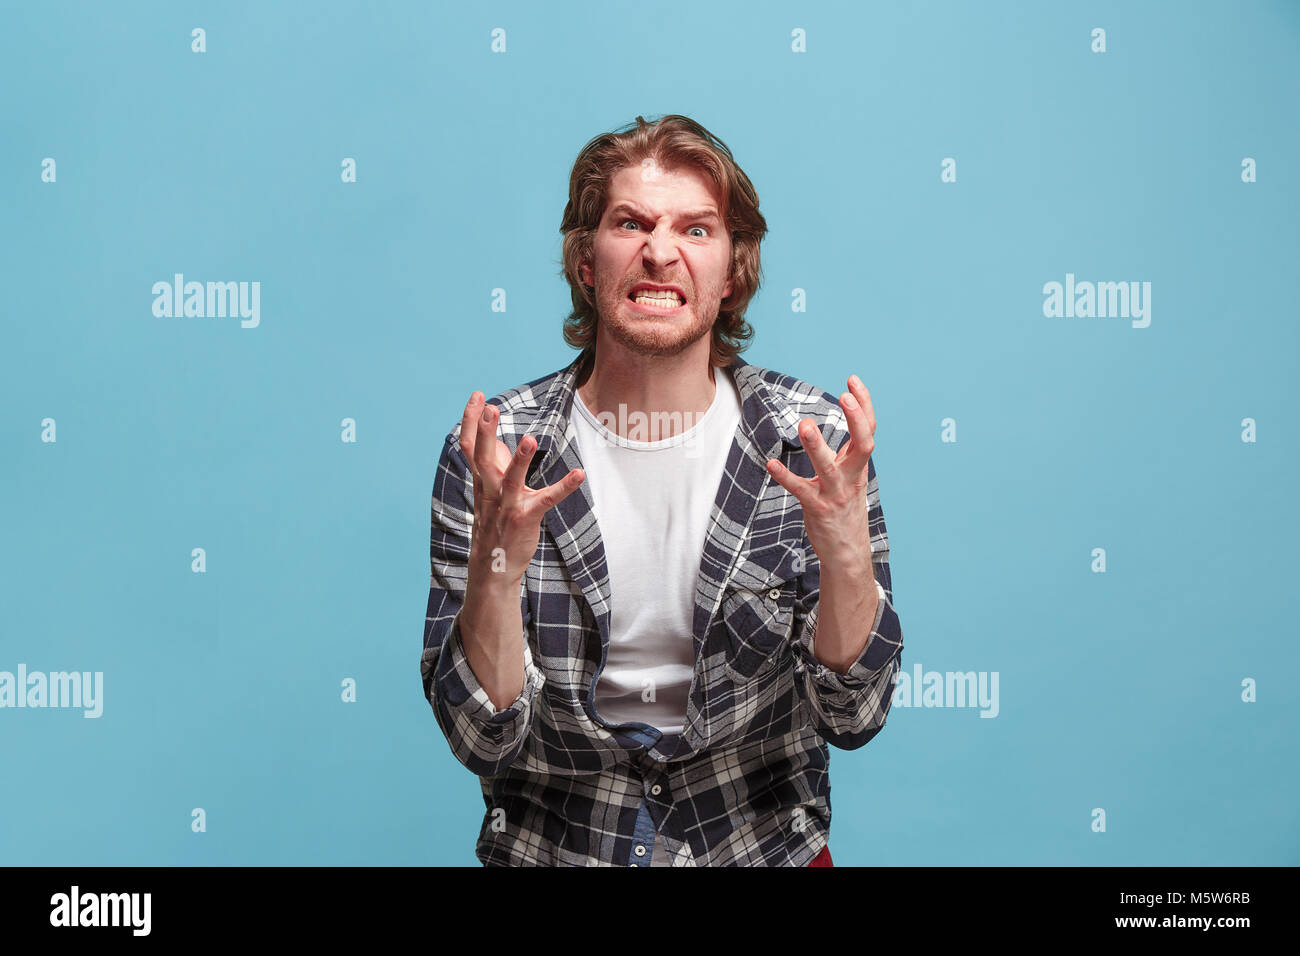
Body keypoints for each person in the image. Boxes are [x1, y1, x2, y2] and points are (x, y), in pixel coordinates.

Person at [421, 114, 903, 866]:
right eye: (630, 223)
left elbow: (856, 714)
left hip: (761, 848)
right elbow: (480, 736)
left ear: (733, 272)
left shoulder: (814, 445)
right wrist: (497, 569)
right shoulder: (496, 454)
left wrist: (845, 555)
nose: (659, 251)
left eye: (696, 230)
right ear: (587, 263)